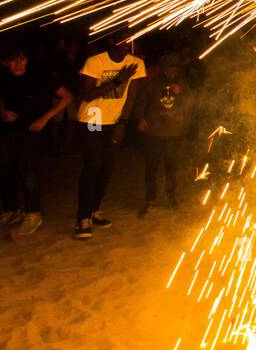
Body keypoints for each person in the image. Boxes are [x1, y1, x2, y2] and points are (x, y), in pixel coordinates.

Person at [0, 46, 73, 236]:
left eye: (22, 59)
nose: (18, 64)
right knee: (4, 169)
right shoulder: (2, 76)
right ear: (6, 61)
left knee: (27, 170)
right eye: (13, 60)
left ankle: (33, 213)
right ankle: (12, 210)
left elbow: (67, 97)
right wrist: (2, 111)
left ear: (28, 60)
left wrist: (44, 119)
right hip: (6, 130)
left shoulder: (40, 76)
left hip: (31, 130)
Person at [73, 39, 145, 239]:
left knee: (108, 167)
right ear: (113, 42)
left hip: (114, 121)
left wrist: (122, 125)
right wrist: (117, 80)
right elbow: (88, 95)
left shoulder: (136, 63)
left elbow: (131, 97)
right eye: (124, 42)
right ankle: (82, 219)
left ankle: (94, 210)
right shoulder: (95, 61)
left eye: (131, 42)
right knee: (92, 165)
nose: (128, 46)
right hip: (93, 117)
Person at [135, 52, 193, 216]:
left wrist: (181, 94)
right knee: (152, 168)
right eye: (169, 67)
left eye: (175, 67)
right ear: (163, 69)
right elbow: (140, 103)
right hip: (155, 133)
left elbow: (190, 106)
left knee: (171, 168)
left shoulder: (183, 85)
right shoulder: (153, 84)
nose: (172, 71)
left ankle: (171, 196)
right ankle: (150, 200)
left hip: (174, 134)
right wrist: (141, 119)